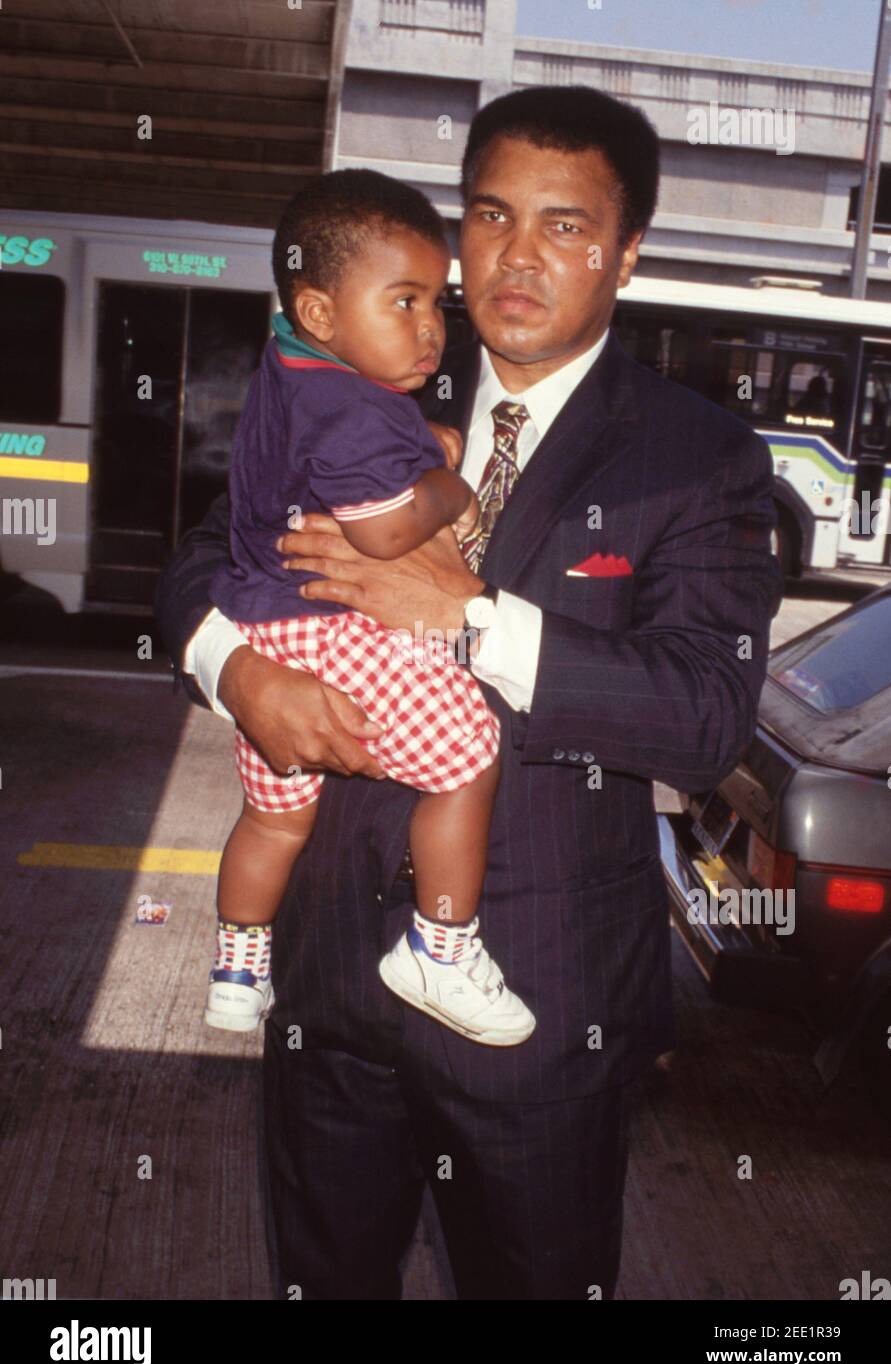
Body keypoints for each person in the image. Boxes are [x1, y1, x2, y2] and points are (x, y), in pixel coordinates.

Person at [156, 84, 782, 1300]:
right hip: (332, 985)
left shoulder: (696, 455)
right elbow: (202, 554)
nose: (518, 255)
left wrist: (474, 618)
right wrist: (236, 670)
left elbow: (706, 715)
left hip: (540, 1014)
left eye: (566, 225)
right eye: (493, 216)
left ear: (628, 250)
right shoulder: (376, 376)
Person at [204, 170, 534, 1048]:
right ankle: (441, 942)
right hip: (328, 629)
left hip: (268, 619)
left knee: (275, 816)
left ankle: (238, 965)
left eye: (437, 303)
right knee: (467, 756)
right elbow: (387, 536)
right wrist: (448, 484)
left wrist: (418, 440)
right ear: (320, 313)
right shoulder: (356, 405)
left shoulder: (295, 366)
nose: (431, 328)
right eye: (404, 302)